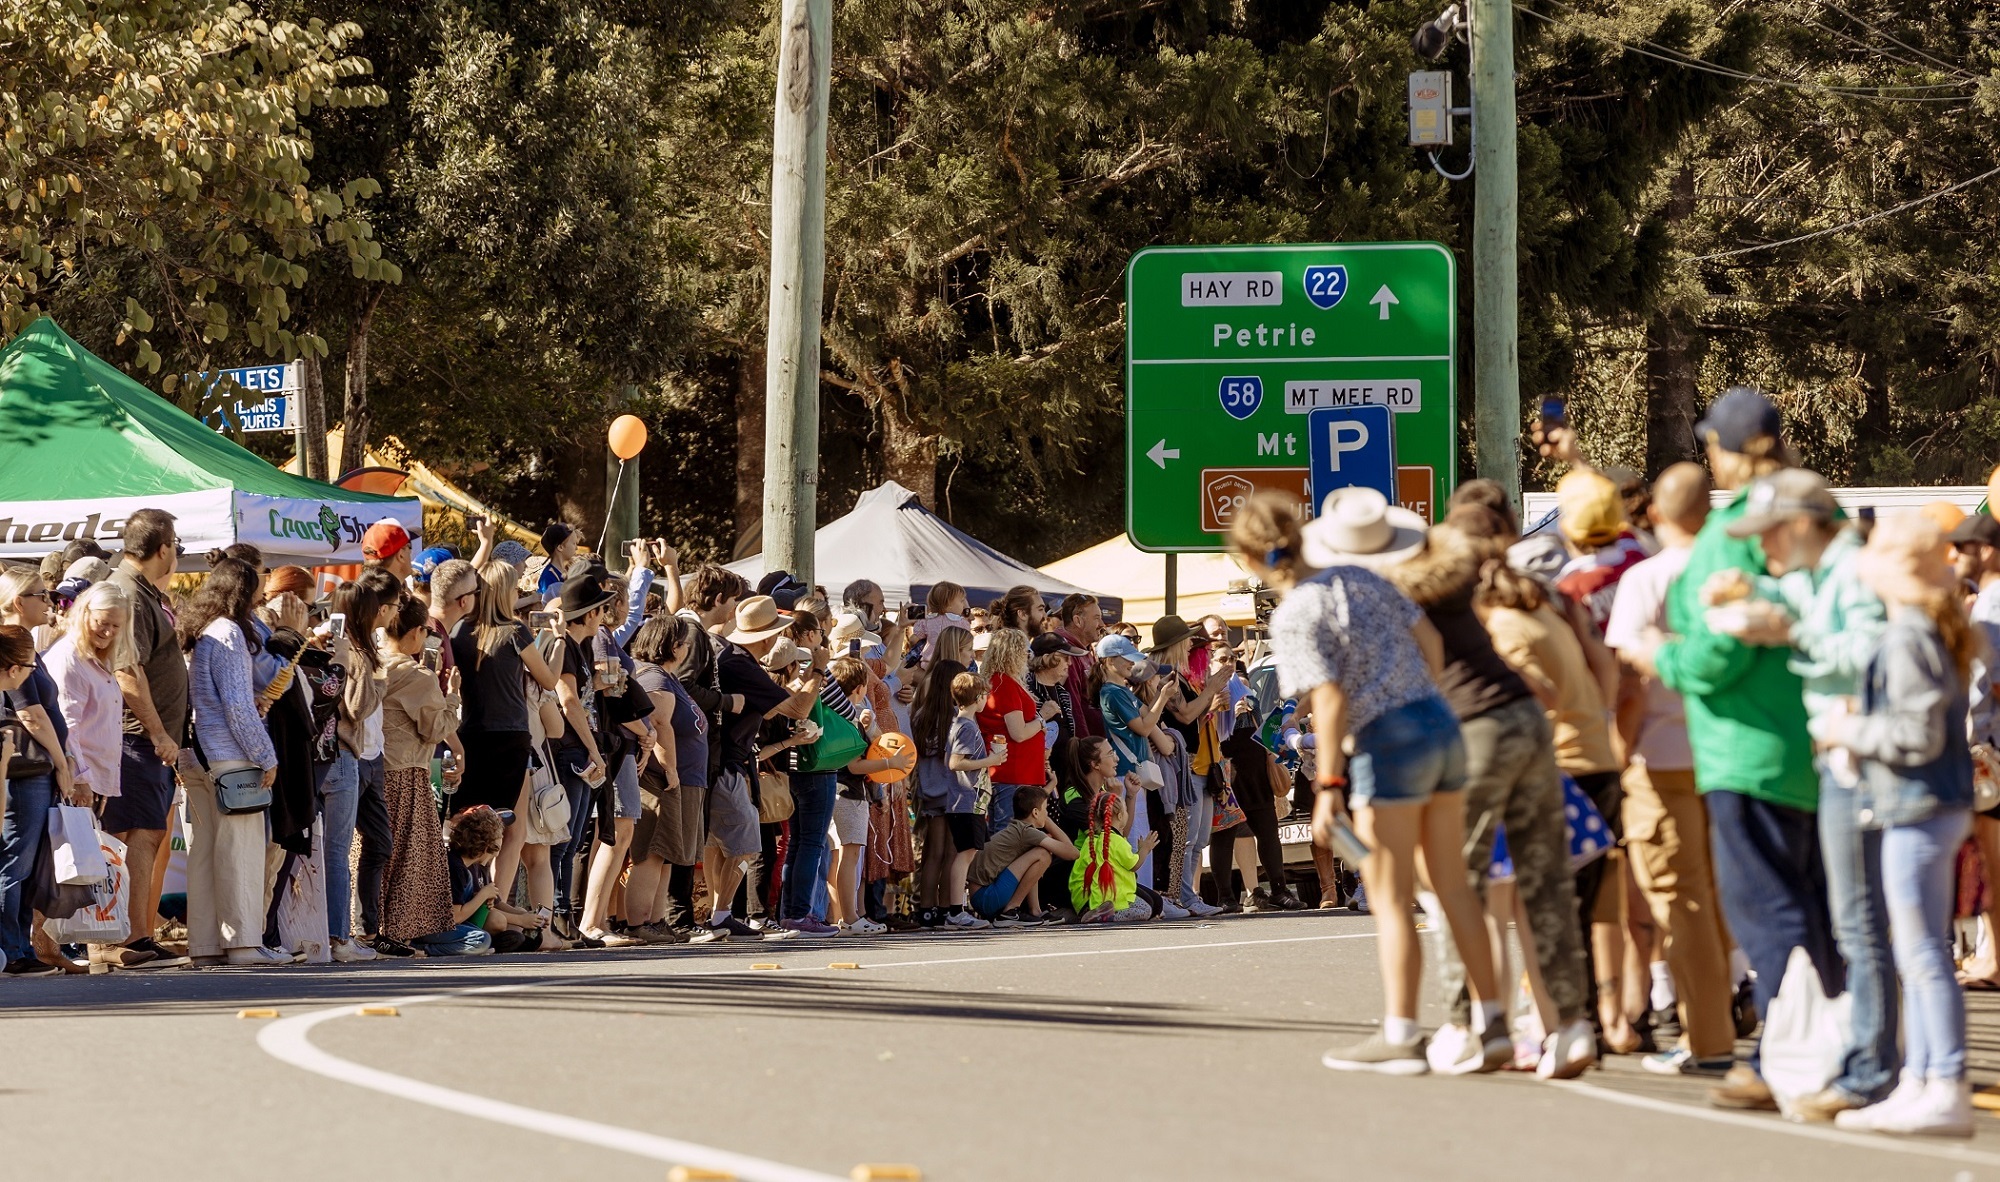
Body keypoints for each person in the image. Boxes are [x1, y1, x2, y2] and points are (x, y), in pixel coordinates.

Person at [1233, 487, 1509, 1077]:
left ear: (1252, 559)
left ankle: (1402, 1034)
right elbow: (1430, 643)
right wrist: (1418, 698)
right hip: (1439, 724)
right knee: (1451, 886)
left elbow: (1328, 699)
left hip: (1386, 741)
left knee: (1389, 896)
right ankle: (1495, 1023)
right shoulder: (1366, 580)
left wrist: (1329, 783)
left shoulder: (1295, 611)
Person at [1629, 389, 1838, 1112]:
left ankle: (1793, 1056)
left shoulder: (1739, 527)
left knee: (1767, 908)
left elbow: (1716, 648)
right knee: (1806, 905)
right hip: (1802, 737)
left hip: (1741, 742)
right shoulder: (1814, 511)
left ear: (1723, 449)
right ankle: (1826, 1048)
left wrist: (1665, 658)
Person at [1710, 468, 1895, 1118]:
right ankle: (1859, 1063)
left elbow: (1872, 651)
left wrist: (1792, 633)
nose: (1760, 551)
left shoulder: (1850, 574)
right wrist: (1754, 591)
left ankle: (1868, 1071)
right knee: (1855, 925)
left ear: (1796, 526)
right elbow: (1794, 595)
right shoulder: (1827, 570)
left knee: (1861, 927)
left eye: (1765, 537)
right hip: (1841, 759)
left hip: (1858, 759)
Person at [1812, 512, 1978, 1136]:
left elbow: (1916, 734)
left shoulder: (1908, 635)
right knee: (1920, 951)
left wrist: (1844, 729)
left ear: (1896, 566)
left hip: (1918, 805)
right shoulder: (1925, 628)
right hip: (1925, 805)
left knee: (1923, 955)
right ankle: (1924, 1080)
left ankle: (1943, 1084)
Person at [1601, 462, 1740, 1077]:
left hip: (1661, 760)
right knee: (1717, 898)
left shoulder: (1648, 578)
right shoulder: (1734, 573)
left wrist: (1617, 753)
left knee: (1677, 907)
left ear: (1655, 513)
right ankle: (1724, 1023)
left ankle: (1708, 1041)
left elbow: (1630, 682)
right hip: (1727, 754)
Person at [1475, 538, 1632, 1051]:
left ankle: (1562, 1020)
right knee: (1588, 906)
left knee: (1545, 907)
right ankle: (1598, 1016)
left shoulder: (1506, 626)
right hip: (1594, 757)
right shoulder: (1551, 615)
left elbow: (1543, 691)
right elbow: (1601, 670)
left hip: (1561, 767)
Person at [44, 581, 162, 969]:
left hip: (97, 777)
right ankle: (51, 945)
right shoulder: (70, 659)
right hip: (78, 777)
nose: (108, 632)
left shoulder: (99, 659)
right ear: (84, 615)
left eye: (115, 627)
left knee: (88, 862)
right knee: (63, 862)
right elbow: (68, 726)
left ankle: (94, 941)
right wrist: (81, 779)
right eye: (102, 623)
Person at [180, 557, 286, 967]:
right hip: (231, 758)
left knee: (204, 855)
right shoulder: (228, 633)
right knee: (240, 852)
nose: (261, 597)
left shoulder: (201, 631)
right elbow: (238, 707)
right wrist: (266, 756)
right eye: (257, 589)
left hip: (198, 756)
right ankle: (242, 942)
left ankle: (205, 945)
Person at [453, 559, 561, 912]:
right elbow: (547, 679)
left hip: (471, 734)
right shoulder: (516, 631)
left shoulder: (458, 633)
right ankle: (494, 903)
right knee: (509, 829)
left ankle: (469, 896)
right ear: (507, 592)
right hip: (512, 736)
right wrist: (555, 639)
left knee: (469, 821)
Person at [102, 508, 184, 967]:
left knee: (142, 833)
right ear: (164, 547)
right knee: (139, 835)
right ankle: (130, 939)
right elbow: (127, 671)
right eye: (176, 547)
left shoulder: (141, 591)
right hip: (137, 739)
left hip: (145, 740)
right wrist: (157, 733)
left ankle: (130, 935)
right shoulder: (130, 594)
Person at [707, 595, 815, 941]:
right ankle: (721, 913)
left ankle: (721, 912)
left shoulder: (736, 660)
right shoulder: (742, 664)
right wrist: (820, 671)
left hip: (730, 763)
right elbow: (798, 709)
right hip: (729, 764)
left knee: (729, 845)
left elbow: (768, 711)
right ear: (767, 638)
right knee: (746, 845)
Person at [377, 596, 479, 955]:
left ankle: (373, 927)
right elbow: (437, 728)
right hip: (406, 774)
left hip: (376, 771)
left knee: (377, 854)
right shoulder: (416, 675)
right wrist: (452, 697)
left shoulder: (375, 664)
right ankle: (398, 931)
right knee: (409, 855)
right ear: (418, 633)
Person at [325, 570, 403, 963]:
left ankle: (358, 930)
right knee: (335, 850)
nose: (382, 616)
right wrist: (378, 685)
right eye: (373, 609)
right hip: (344, 753)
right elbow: (356, 706)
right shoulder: (347, 651)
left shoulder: (362, 650)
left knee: (375, 843)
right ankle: (341, 934)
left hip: (367, 754)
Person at [0, 617, 78, 977]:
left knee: (22, 866)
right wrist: (61, 763)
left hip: (32, 772)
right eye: (30, 667)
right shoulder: (14, 660)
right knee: (14, 865)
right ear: (15, 668)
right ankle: (12, 952)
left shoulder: (20, 653)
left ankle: (19, 948)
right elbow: (31, 716)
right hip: (25, 773)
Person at [623, 616, 705, 943]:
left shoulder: (665, 676)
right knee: (651, 851)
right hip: (659, 780)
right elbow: (657, 722)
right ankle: (639, 922)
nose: (687, 649)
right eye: (684, 643)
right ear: (673, 646)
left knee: (666, 855)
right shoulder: (654, 676)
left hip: (676, 780)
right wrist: (670, 766)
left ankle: (656, 921)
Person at [1149, 615, 1230, 918]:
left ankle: (1186, 895)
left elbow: (1191, 713)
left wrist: (1209, 699)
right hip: (1179, 765)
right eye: (1186, 640)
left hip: (1195, 762)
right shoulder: (1163, 675)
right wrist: (1210, 691)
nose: (1191, 646)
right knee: (1185, 835)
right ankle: (1179, 896)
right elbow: (1183, 715)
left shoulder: (1177, 675)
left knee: (1199, 838)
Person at [1954, 511, 2000, 991]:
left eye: (1963, 548)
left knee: (1993, 860)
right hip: (1990, 742)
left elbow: (1994, 682)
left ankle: (1995, 962)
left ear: (1985, 550)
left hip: (1992, 748)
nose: (1957, 557)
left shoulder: (1992, 602)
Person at [1092, 632, 1173, 893]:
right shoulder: (1112, 693)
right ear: (1108, 661)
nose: (1131, 664)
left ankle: (1145, 894)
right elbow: (1145, 726)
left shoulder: (1121, 691)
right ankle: (1138, 895)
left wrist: (1159, 698)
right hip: (1125, 775)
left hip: (1132, 775)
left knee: (1141, 836)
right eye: (1125, 659)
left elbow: (1146, 720)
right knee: (1135, 837)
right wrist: (1162, 697)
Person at [911, 627, 976, 926]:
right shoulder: (954, 718)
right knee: (951, 851)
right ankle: (946, 907)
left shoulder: (923, 714)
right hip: (952, 792)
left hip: (930, 789)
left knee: (931, 852)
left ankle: (926, 907)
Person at [447, 806, 561, 953]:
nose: (498, 852)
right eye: (496, 845)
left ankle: (508, 941)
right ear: (484, 845)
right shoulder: (460, 867)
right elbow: (462, 913)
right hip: (460, 921)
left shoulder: (480, 866)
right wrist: (519, 920)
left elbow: (495, 902)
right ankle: (492, 943)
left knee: (518, 912)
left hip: (468, 918)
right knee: (496, 920)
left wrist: (525, 916)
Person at [945, 671, 1009, 929]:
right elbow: (956, 763)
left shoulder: (964, 724)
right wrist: (990, 761)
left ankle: (958, 909)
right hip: (965, 799)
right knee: (965, 854)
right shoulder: (966, 726)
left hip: (969, 800)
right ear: (977, 697)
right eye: (984, 694)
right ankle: (955, 911)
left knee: (968, 853)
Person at [966, 786, 1077, 924]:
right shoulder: (1026, 832)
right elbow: (1073, 853)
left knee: (1037, 854)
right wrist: (1048, 822)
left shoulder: (1018, 828)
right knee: (1043, 854)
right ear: (1035, 812)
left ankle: (1035, 910)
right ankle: (1011, 911)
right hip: (986, 897)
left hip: (983, 896)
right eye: (1045, 809)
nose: (1047, 813)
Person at [976, 628, 1048, 840]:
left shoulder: (1001, 681)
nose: (1028, 657)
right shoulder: (1003, 683)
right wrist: (1042, 719)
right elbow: (1018, 733)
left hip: (1015, 771)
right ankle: (999, 875)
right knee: (1006, 835)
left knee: (1010, 834)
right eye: (1025, 651)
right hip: (1011, 772)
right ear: (1014, 652)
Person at [1071, 789, 1158, 922]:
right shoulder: (1116, 841)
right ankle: (1108, 916)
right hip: (1107, 897)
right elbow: (1133, 865)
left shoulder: (1094, 839)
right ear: (1120, 816)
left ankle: (1097, 914)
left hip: (1088, 898)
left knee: (1151, 903)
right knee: (1146, 910)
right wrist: (1145, 849)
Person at [1053, 594, 1105, 737]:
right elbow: (1073, 707)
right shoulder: (1066, 653)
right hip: (1087, 748)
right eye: (1096, 618)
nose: (1102, 624)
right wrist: (1086, 749)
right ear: (1078, 620)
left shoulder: (1085, 649)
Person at [361, 519, 417, 583]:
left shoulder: (360, 591)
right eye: (409, 546)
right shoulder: (393, 592)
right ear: (401, 555)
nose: (410, 552)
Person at [537, 522, 578, 600]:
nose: (576, 548)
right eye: (574, 543)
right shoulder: (549, 576)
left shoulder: (567, 571)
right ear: (560, 547)